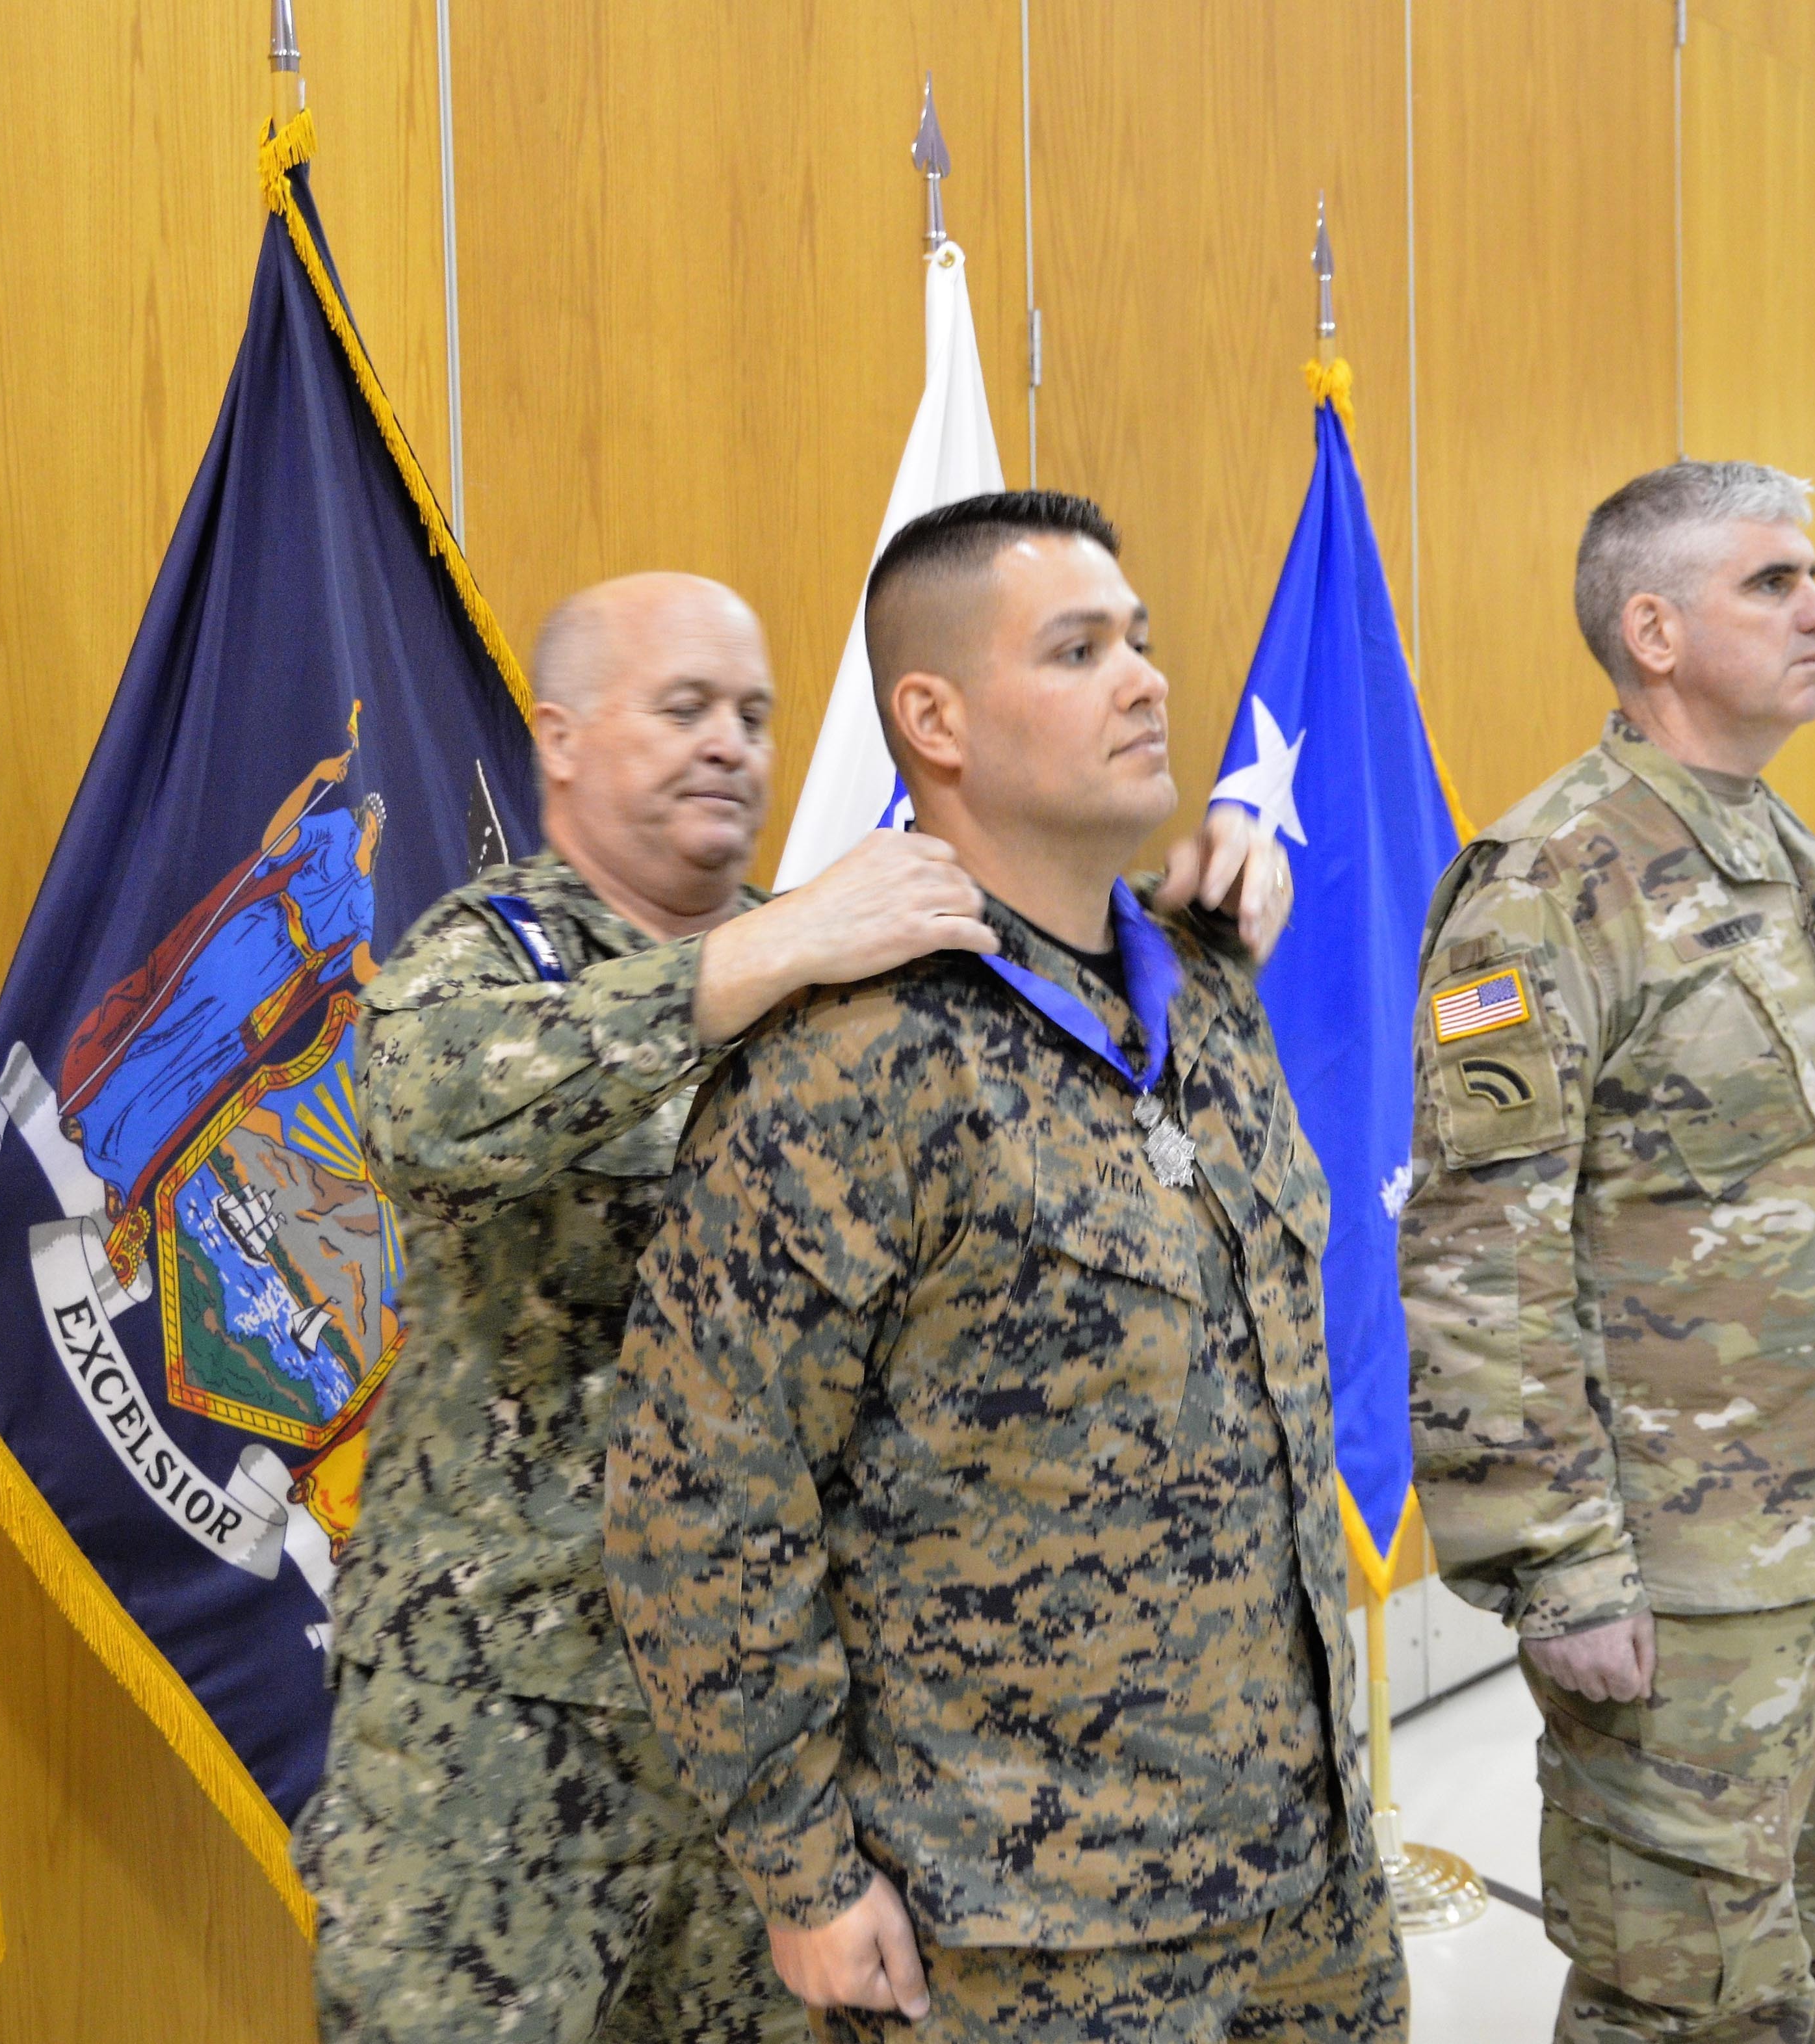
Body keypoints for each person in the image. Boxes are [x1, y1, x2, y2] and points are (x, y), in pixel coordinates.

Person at [293, 568, 1281, 2044]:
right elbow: (428, 1111)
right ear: (558, 739)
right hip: (497, 1743)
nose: (729, 746)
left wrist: (1175, 921)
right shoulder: (500, 952)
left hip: (775, 1745)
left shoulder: (836, 966)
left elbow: (1038, 1057)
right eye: (681, 707)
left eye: (753, 715)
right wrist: (760, 955)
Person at [603, 493, 1407, 2044]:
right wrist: (803, 1876)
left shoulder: (1203, 992)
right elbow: (700, 1492)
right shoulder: (852, 1064)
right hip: (1025, 1937)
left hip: (1300, 1880)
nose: (1147, 680)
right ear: (934, 718)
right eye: (1080, 648)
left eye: (1142, 641)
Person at [1399, 462, 1815, 2044]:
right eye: (1773, 581)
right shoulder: (1546, 887)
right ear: (1652, 629)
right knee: (1675, 1999)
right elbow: (1475, 1251)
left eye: (1811, 575)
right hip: (1681, 1577)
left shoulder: (1776, 855)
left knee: (1796, 1963)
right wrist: (1554, 1564)